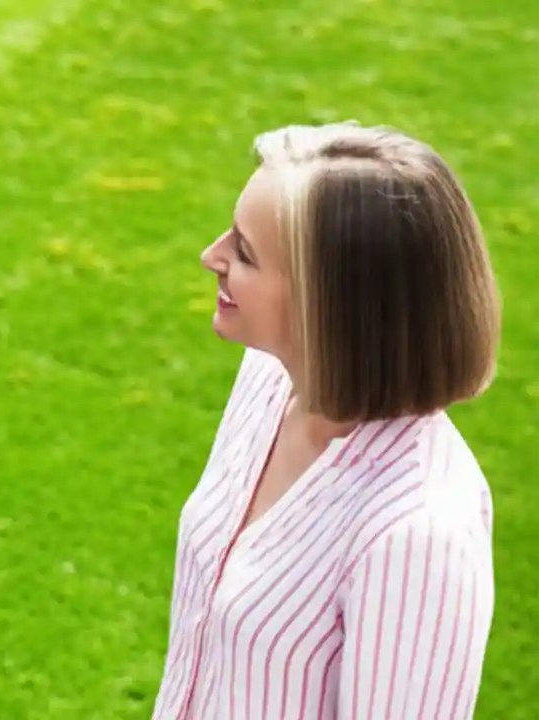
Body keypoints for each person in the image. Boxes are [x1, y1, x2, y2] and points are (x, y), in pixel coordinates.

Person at [152, 122, 501, 720]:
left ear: (330, 304)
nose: (211, 257)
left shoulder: (419, 535)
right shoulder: (269, 378)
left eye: (245, 252)